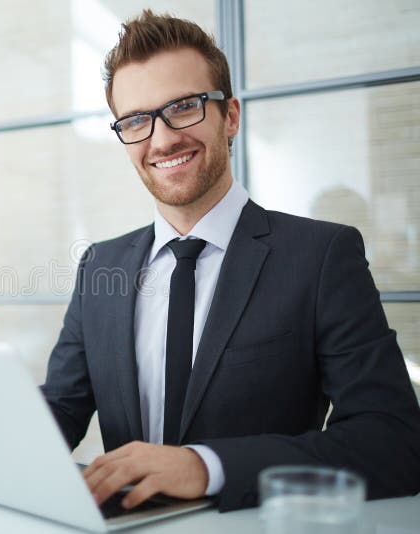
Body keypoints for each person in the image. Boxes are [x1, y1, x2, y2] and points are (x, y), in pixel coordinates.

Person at [41, 10, 420, 512]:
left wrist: (205, 466)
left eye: (183, 107)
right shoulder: (101, 266)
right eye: (136, 120)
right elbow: (62, 408)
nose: (161, 139)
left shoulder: (321, 256)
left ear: (231, 116)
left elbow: (393, 442)